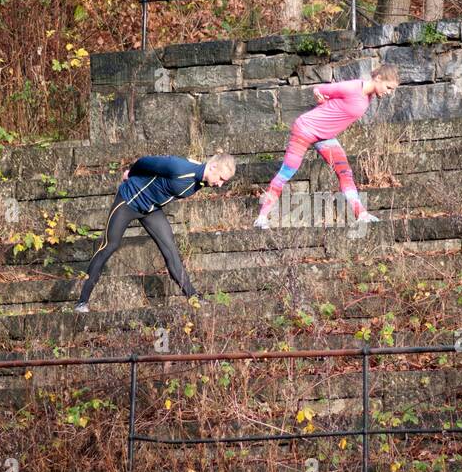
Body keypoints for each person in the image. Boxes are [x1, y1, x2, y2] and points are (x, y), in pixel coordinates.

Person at [75, 152, 236, 312]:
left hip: (151, 209)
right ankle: (82, 302)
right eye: (221, 179)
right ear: (213, 167)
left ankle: (194, 300)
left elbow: (198, 167)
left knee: (171, 251)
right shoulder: (179, 167)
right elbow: (144, 162)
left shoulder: (204, 179)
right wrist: (130, 173)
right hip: (129, 200)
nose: (220, 185)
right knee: (110, 245)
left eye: (224, 182)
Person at [254, 64, 399, 229]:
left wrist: (326, 101)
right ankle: (261, 218)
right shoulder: (352, 87)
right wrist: (320, 97)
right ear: (378, 78)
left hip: (325, 136)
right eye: (389, 87)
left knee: (345, 173)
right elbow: (319, 89)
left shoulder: (369, 96)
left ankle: (362, 214)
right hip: (306, 128)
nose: (389, 92)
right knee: (287, 172)